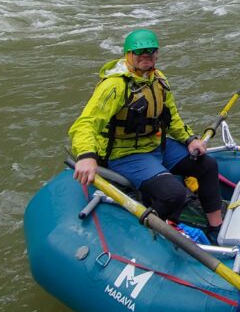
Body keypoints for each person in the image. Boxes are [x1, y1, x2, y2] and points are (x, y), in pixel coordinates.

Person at [69, 29, 223, 240]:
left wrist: (189, 139)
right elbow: (86, 123)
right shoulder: (114, 86)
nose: (146, 55)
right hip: (125, 154)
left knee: (207, 165)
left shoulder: (158, 80)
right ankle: (153, 234)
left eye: (151, 51)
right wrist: (86, 155)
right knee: (173, 194)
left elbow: (172, 117)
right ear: (128, 54)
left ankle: (216, 229)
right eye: (140, 51)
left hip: (156, 145)